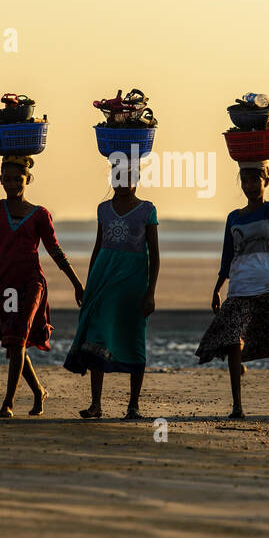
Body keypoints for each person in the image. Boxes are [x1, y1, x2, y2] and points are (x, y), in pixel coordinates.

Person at [0, 124, 84, 418]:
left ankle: (7, 402)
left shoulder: (39, 215)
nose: (11, 184)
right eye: (6, 179)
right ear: (1, 179)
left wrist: (76, 283)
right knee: (13, 344)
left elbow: (56, 251)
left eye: (17, 178)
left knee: (20, 336)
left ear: (28, 178)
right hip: (6, 285)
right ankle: (38, 391)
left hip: (31, 284)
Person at [196, 123, 269, 419]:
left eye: (255, 180)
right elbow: (228, 254)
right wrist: (218, 286)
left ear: (266, 180)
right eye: (245, 180)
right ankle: (237, 405)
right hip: (240, 287)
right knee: (232, 341)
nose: (250, 185)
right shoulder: (234, 217)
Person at [64, 158, 160, 420]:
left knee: (134, 338)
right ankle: (96, 405)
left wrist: (150, 292)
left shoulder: (147, 210)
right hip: (102, 282)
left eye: (127, 177)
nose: (121, 183)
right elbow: (98, 247)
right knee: (97, 336)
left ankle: (133, 406)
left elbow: (155, 254)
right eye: (116, 177)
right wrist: (87, 284)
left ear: (136, 180)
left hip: (133, 285)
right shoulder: (103, 209)